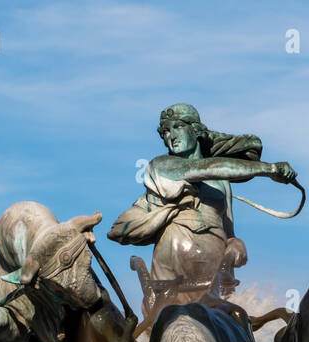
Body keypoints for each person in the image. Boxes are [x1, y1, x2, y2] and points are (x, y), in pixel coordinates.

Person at [109, 103, 296, 319]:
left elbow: (229, 234)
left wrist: (236, 246)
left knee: (235, 325)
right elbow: (205, 168)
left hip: (212, 280)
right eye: (166, 132)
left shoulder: (222, 184)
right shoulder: (163, 165)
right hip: (171, 279)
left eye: (177, 127)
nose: (171, 137)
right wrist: (269, 169)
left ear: (196, 130)